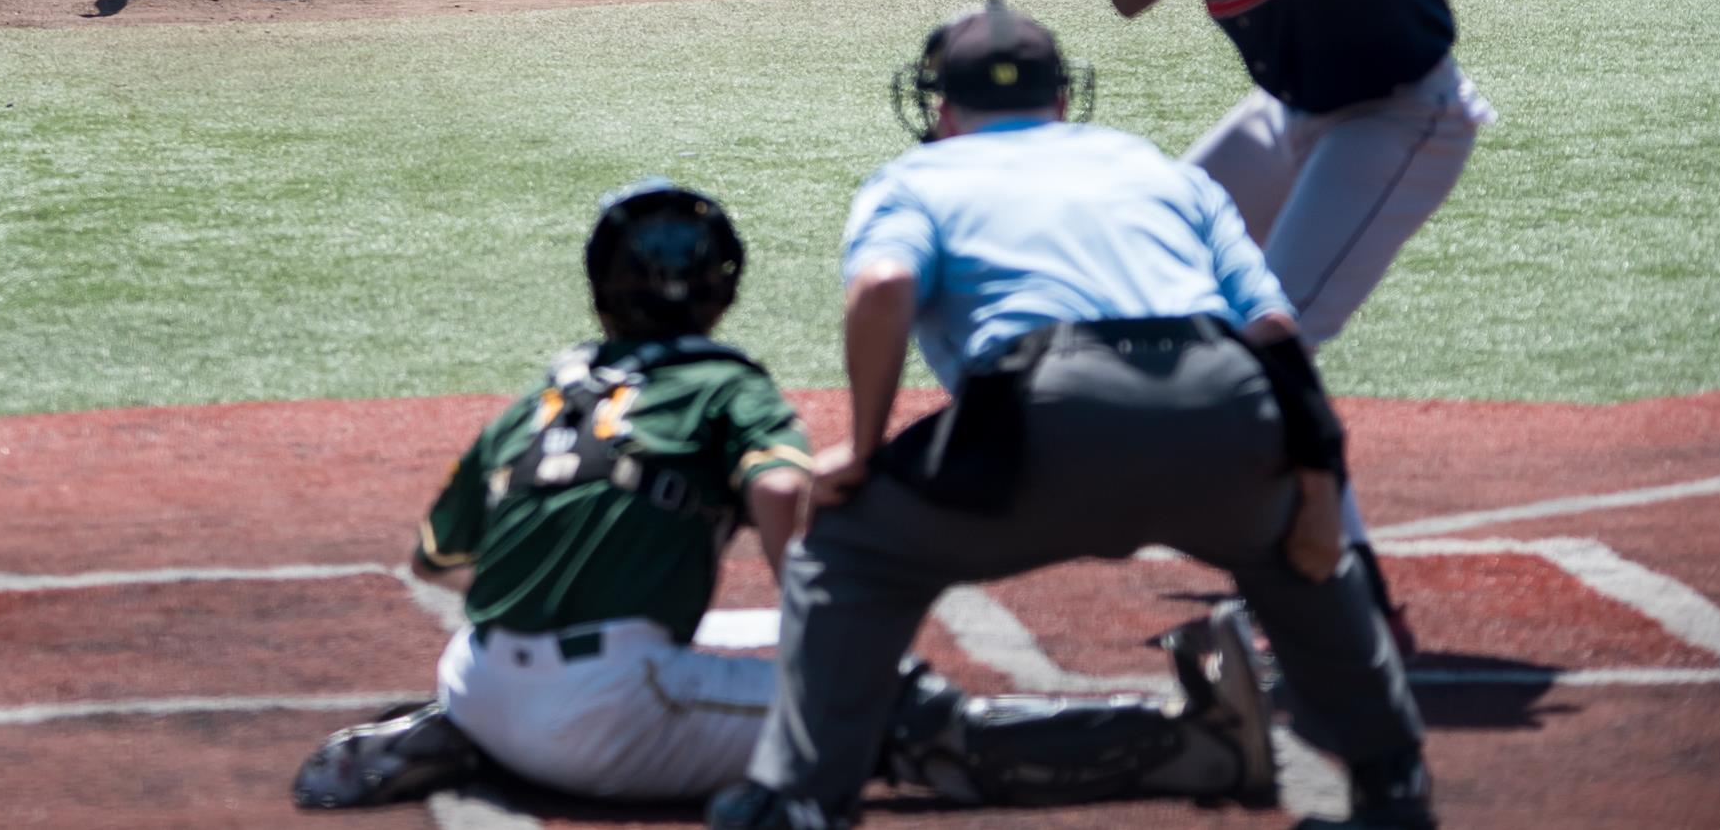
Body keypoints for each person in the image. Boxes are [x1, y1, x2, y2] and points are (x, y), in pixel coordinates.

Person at [291, 182, 1274, 816]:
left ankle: (463, 728)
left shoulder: (546, 392)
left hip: (474, 674)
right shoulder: (727, 385)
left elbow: (440, 563)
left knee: (715, 633)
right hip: (599, 722)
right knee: (882, 699)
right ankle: (1190, 751)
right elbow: (781, 508)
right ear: (721, 288)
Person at [711, 0, 1436, 830]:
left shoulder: (917, 177)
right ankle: (1393, 786)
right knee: (1298, 556)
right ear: (1062, 99)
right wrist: (1312, 495)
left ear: (941, 108)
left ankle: (799, 799)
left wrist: (865, 447)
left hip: (1045, 416)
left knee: (846, 551)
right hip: (1222, 408)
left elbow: (881, 289)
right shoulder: (1157, 168)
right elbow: (1275, 333)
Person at [1107, 0, 1494, 654]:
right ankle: (1213, 495)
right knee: (1143, 255)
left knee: (1261, 356)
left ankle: (1351, 598)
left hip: (1398, 116)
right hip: (1289, 116)